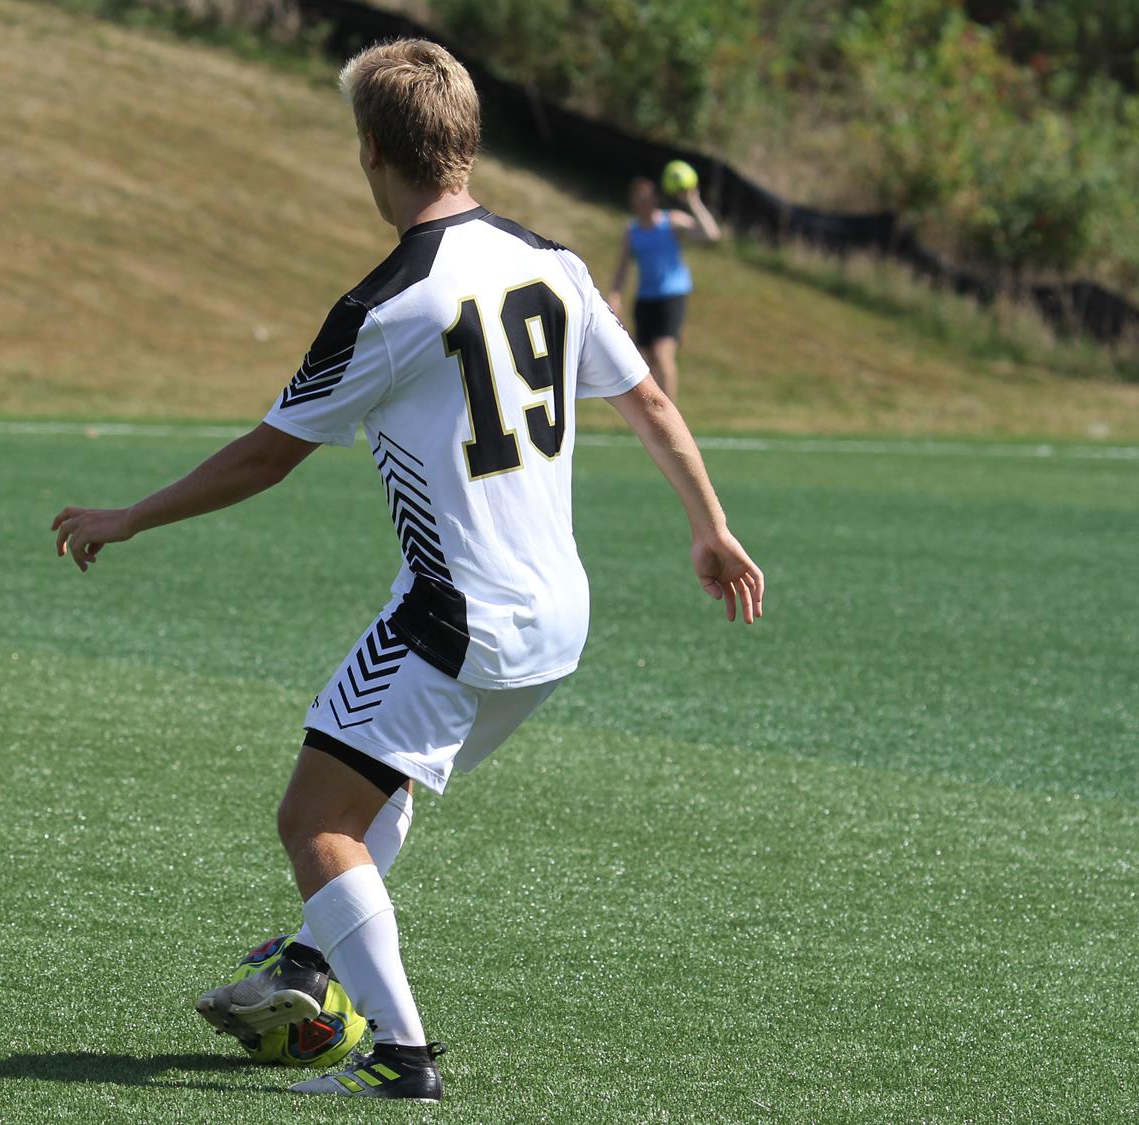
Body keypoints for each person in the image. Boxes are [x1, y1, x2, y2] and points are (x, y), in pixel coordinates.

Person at [49, 40, 762, 1102]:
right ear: (465, 143)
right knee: (381, 772)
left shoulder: (385, 304)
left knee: (313, 820)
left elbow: (266, 453)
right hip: (556, 621)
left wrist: (130, 515)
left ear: (371, 152)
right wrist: (709, 527)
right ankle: (305, 957)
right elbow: (649, 402)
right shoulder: (553, 265)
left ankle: (402, 1057)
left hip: (454, 616)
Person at [607, 175, 719, 400]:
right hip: (645, 299)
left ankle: (671, 416)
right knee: (645, 361)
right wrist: (615, 295)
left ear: (655, 199)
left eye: (648, 198)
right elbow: (622, 267)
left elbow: (711, 235)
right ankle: (656, 410)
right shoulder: (633, 231)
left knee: (663, 353)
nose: (645, 203)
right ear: (634, 203)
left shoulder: (671, 221)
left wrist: (693, 202)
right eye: (640, 199)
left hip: (671, 296)